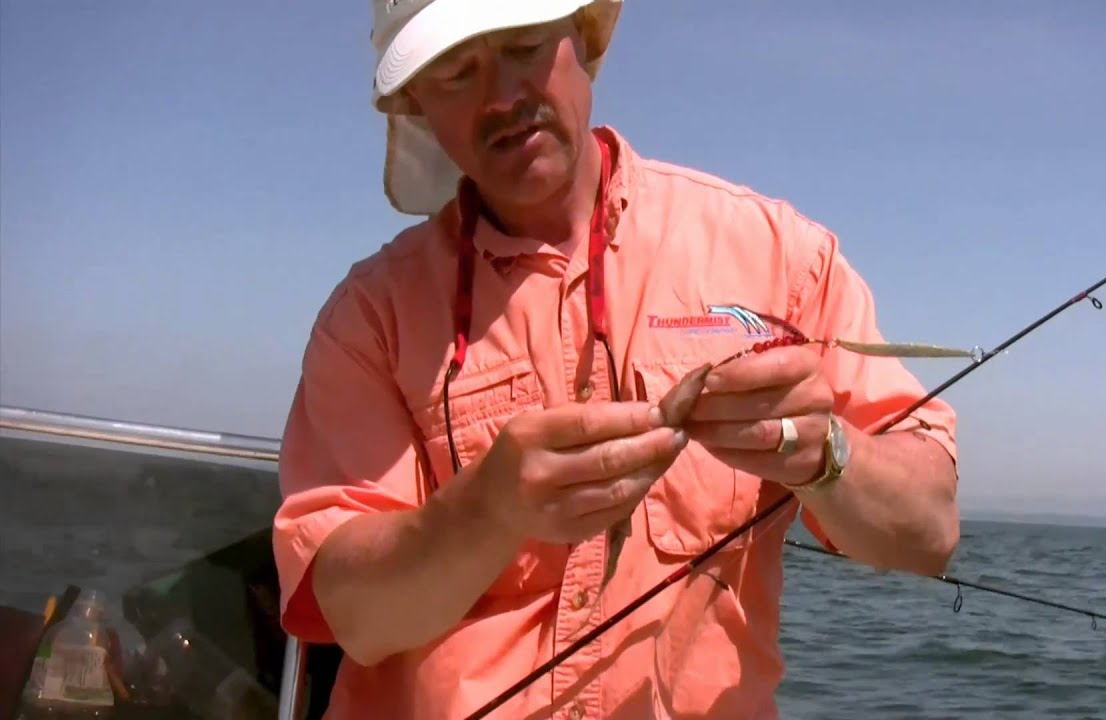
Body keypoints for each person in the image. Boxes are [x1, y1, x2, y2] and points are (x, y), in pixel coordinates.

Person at [272, 0, 960, 717]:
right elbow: (356, 617)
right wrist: (486, 508)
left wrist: (827, 455)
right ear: (416, 103)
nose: (502, 97)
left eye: (523, 44)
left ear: (585, 36)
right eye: (455, 74)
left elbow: (931, 531)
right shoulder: (368, 318)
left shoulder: (781, 257)